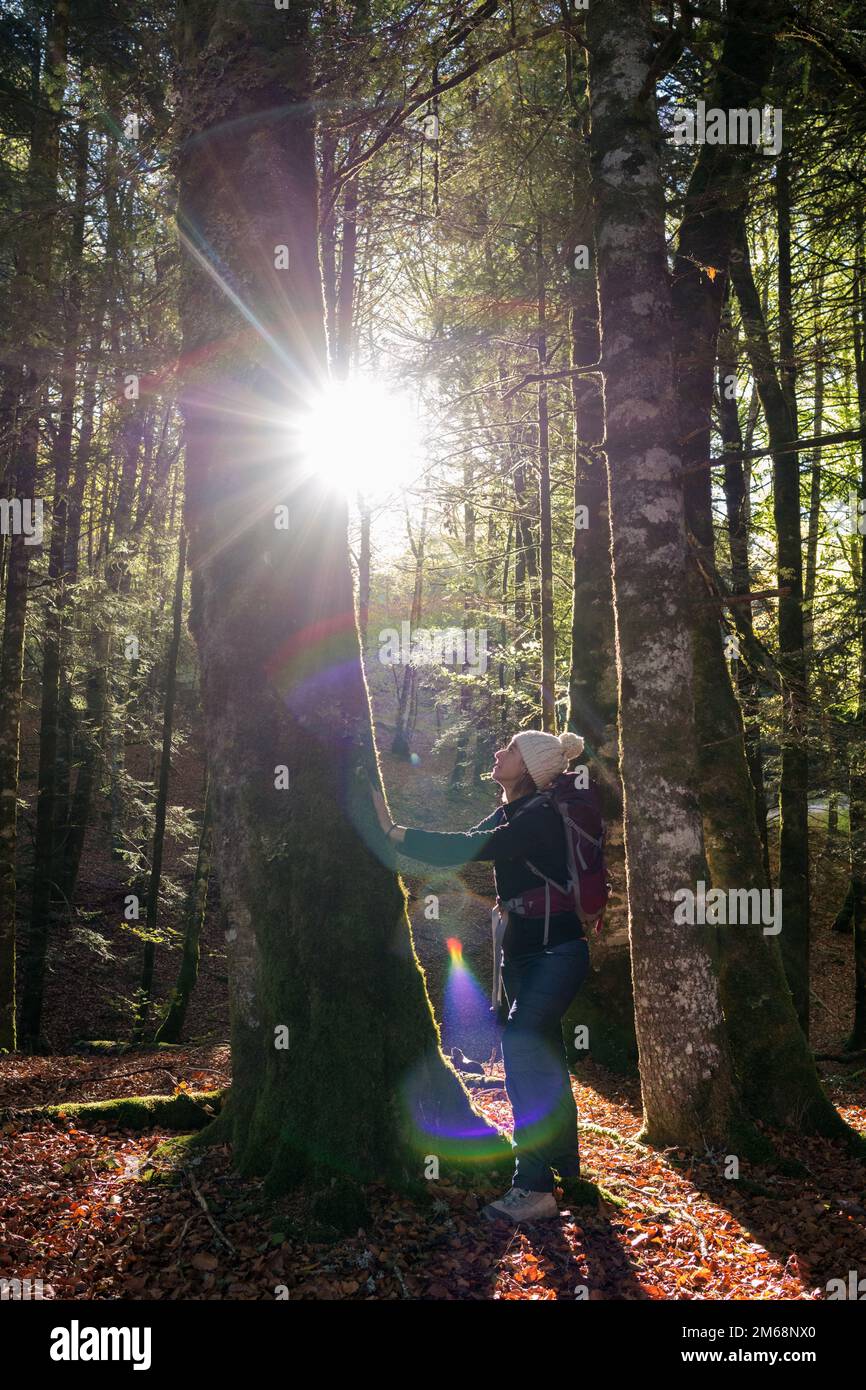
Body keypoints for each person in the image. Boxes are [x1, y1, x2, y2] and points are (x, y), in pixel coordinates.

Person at [372, 728, 590, 1223]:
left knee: (521, 1047)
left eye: (510, 749)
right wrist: (396, 829)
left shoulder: (539, 819)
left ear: (530, 768)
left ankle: (534, 1187)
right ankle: (565, 1166)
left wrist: (393, 832)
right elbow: (461, 842)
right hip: (522, 955)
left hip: (558, 954)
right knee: (544, 1053)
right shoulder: (514, 812)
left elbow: (466, 851)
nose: (497, 752)